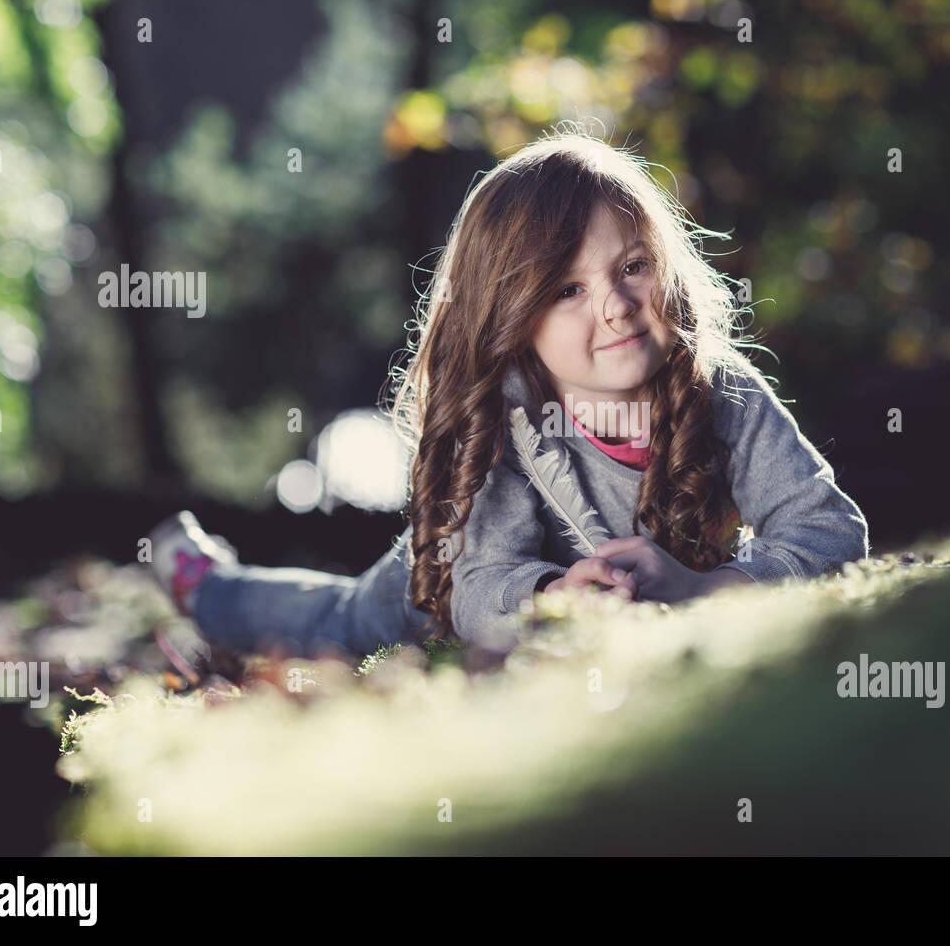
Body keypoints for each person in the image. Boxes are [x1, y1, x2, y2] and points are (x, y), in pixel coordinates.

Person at [145, 126, 871, 658]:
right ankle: (208, 586)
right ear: (513, 320)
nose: (615, 305)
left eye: (633, 267)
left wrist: (710, 588)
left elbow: (830, 530)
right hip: (447, 569)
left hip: (655, 583)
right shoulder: (506, 419)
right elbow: (480, 581)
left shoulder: (722, 391)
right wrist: (554, 598)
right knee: (344, 624)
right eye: (568, 289)